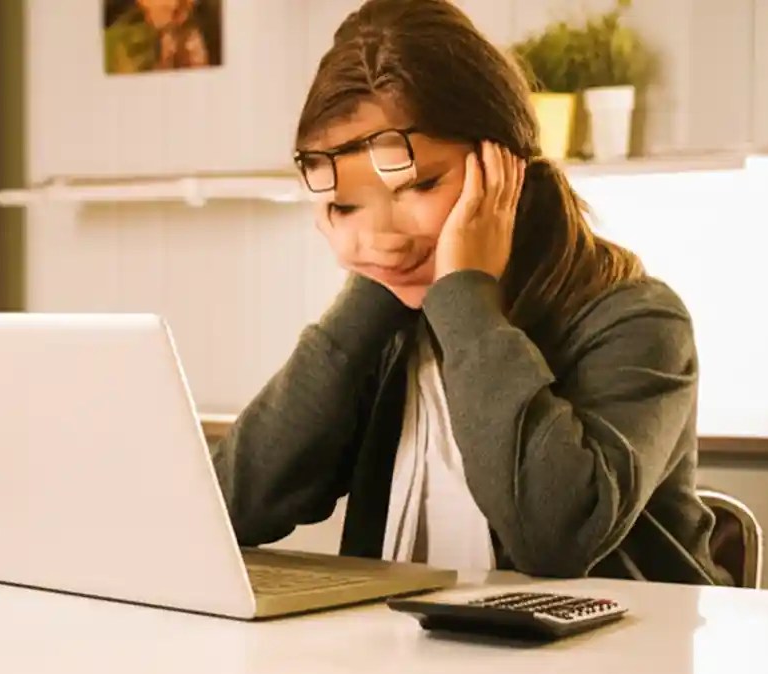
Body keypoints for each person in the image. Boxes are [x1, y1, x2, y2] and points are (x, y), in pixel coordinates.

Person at [211, 0, 729, 585]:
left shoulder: (639, 321)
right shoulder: (387, 323)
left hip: (607, 665)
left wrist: (466, 296)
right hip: (406, 664)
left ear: (506, 164)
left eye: (420, 185)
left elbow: (553, 538)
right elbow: (232, 505)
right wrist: (370, 293)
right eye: (349, 204)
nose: (383, 236)